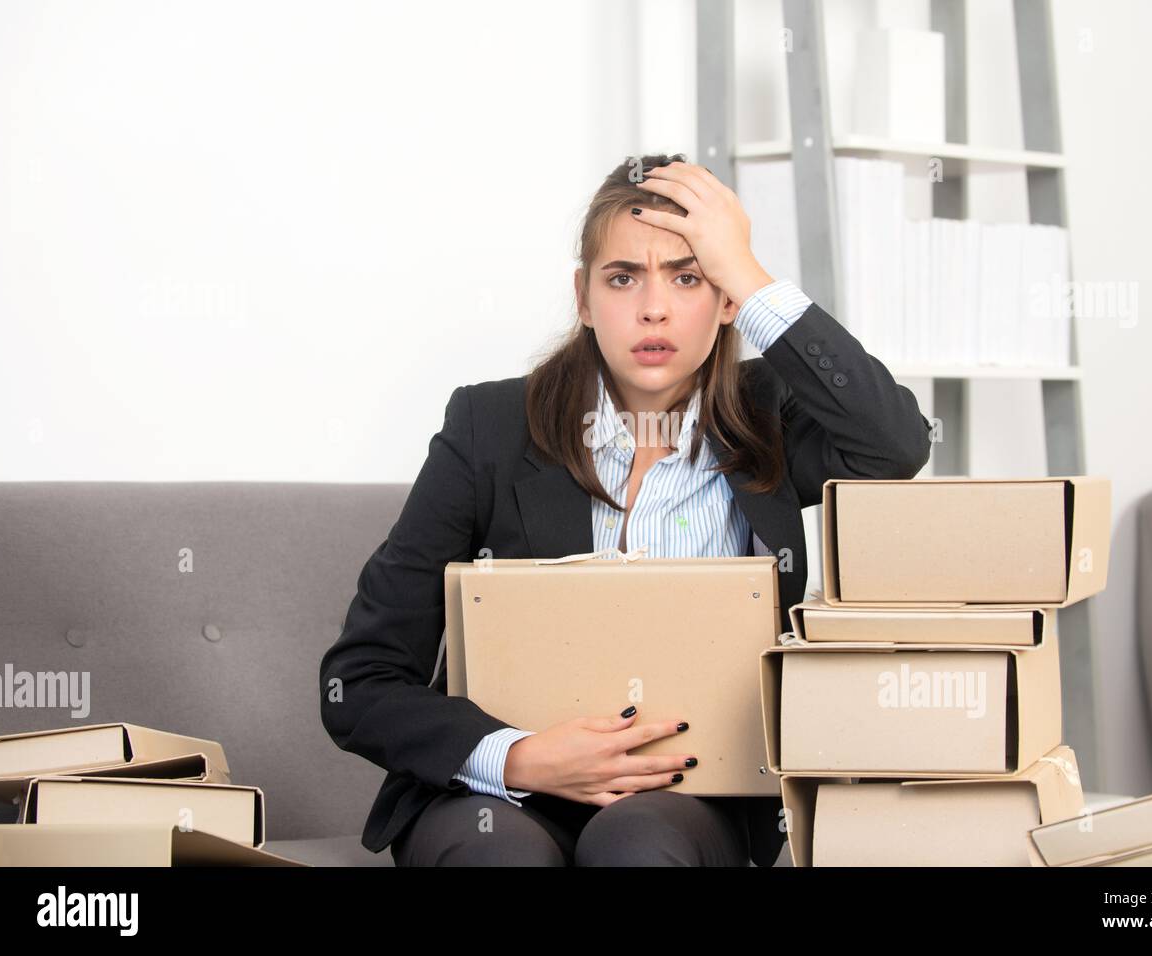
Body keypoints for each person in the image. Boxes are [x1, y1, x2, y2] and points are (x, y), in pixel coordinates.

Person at [318, 153, 933, 866]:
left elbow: (894, 444)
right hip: (499, 797)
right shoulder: (486, 427)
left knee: (640, 846)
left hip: (693, 797)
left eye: (689, 275)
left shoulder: (772, 417)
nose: (654, 308)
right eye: (622, 278)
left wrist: (749, 272)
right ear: (584, 298)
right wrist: (517, 759)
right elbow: (358, 681)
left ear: (727, 298)